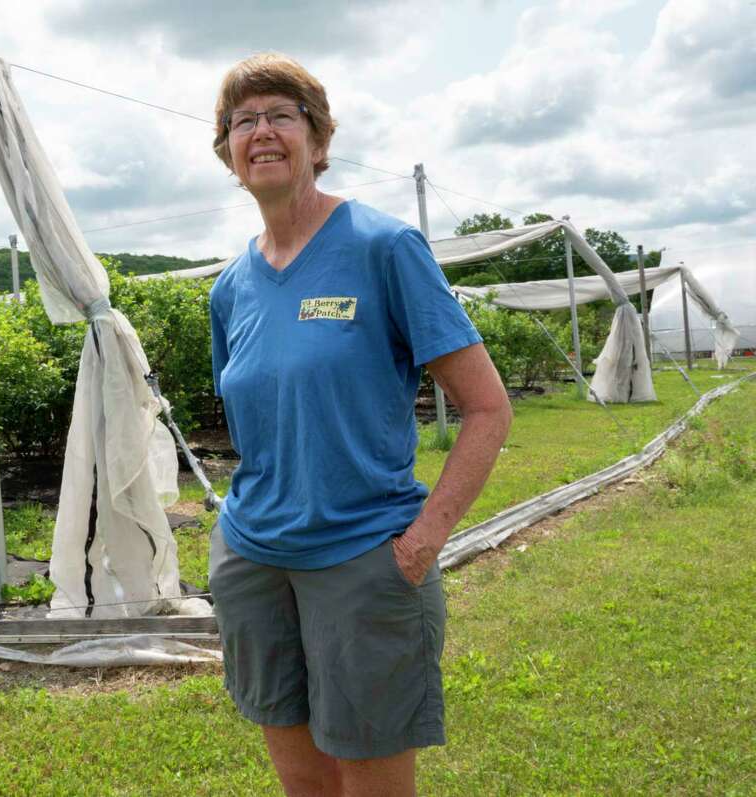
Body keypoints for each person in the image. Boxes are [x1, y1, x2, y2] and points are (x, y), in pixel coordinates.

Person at [207, 52, 513, 797]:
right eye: (243, 121)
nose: (263, 130)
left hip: (361, 558)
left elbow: (486, 406)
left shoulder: (383, 248)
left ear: (318, 139)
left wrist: (425, 538)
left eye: (283, 114)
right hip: (255, 561)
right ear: (228, 155)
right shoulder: (230, 287)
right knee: (303, 780)